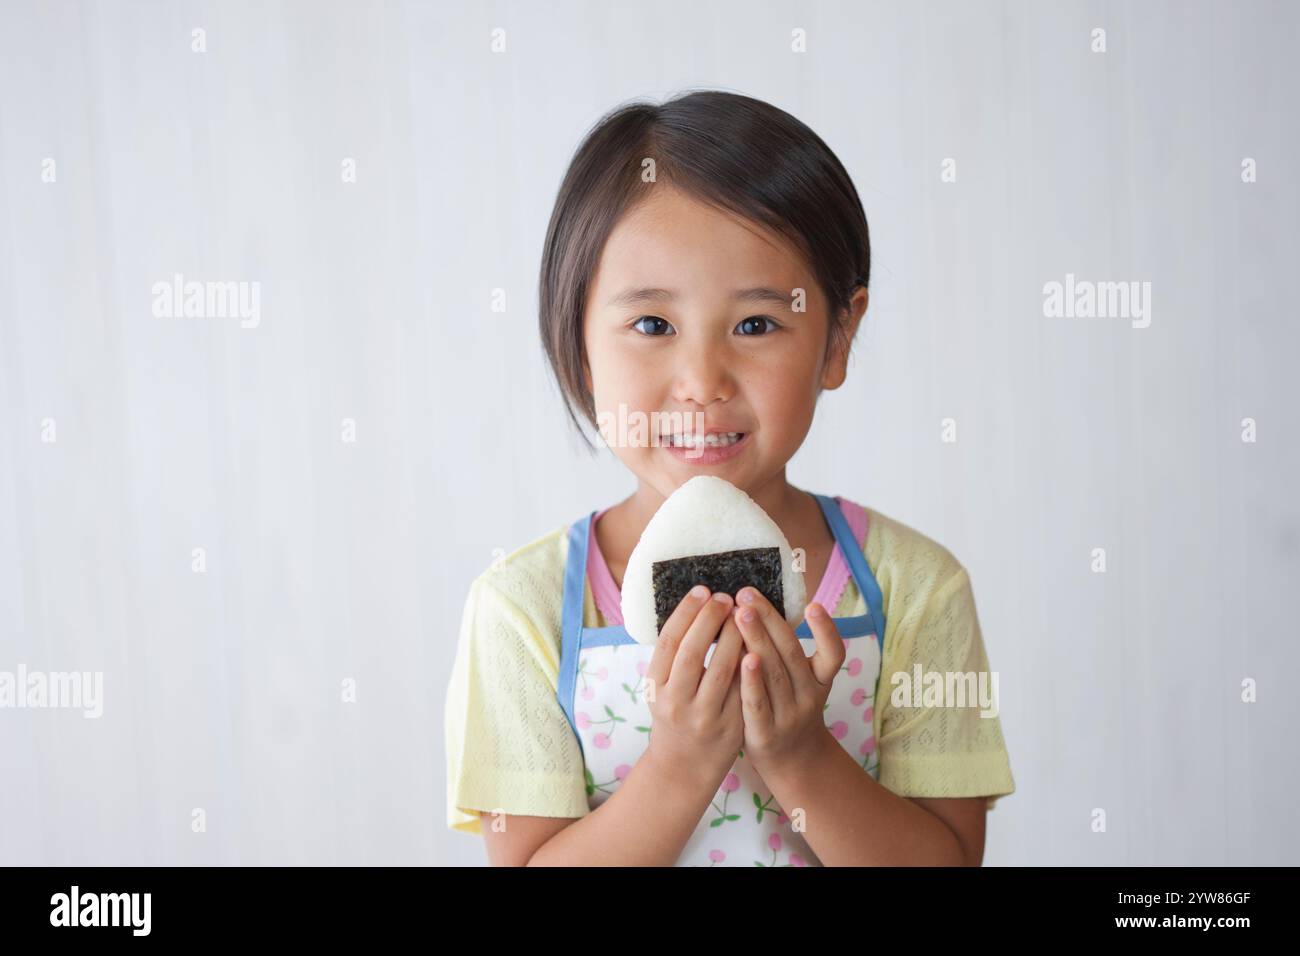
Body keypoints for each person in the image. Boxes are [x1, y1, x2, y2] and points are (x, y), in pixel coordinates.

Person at [445, 90, 1015, 866]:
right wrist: (679, 766)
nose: (701, 380)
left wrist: (800, 756)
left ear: (838, 339)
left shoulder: (916, 589)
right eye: (652, 326)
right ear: (579, 344)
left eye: (756, 324)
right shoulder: (524, 610)